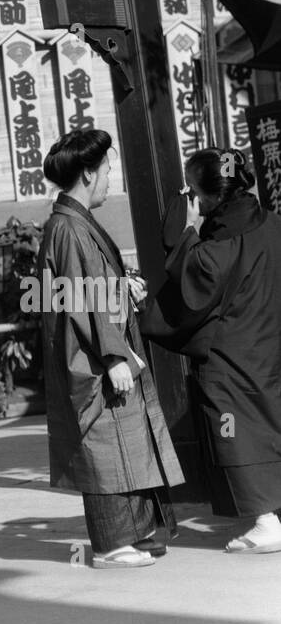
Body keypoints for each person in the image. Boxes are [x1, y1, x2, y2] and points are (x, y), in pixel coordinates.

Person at [37, 128, 184, 568]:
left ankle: (134, 534)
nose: (109, 178)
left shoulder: (73, 223)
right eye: (105, 170)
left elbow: (94, 290)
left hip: (104, 345)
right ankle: (109, 545)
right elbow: (80, 300)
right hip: (95, 356)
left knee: (128, 438)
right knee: (105, 444)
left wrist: (124, 287)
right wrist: (113, 356)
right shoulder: (68, 228)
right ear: (87, 173)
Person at [158, 147, 281, 554]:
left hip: (232, 355)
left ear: (209, 195)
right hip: (272, 348)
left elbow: (192, 287)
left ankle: (264, 521)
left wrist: (188, 228)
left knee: (236, 430)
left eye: (192, 190)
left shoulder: (216, 246)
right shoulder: (273, 224)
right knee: (272, 428)